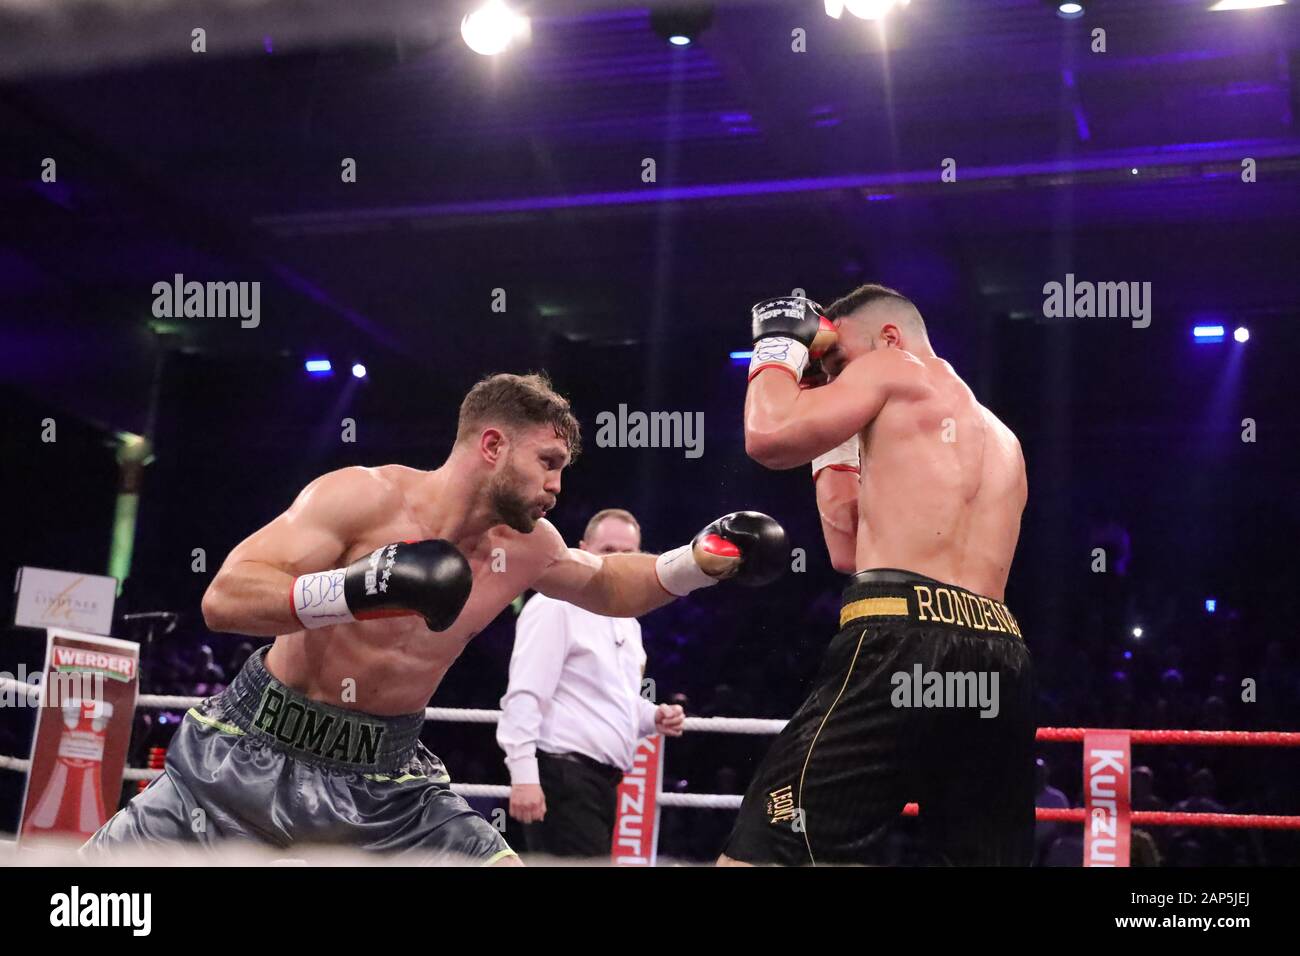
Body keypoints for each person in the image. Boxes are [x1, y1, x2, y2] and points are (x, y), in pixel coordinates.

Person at [85, 372, 786, 865]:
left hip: (386, 779)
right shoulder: (362, 497)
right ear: (490, 446)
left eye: (562, 469)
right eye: (546, 462)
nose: (556, 485)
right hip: (250, 751)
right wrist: (358, 588)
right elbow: (226, 598)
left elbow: (609, 585)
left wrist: (698, 560)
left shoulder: (528, 548)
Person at [719, 286, 1034, 866]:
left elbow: (765, 437)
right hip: (1001, 653)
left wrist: (777, 349)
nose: (834, 379)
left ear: (889, 338)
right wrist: (832, 434)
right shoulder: (1004, 439)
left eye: (839, 363)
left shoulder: (893, 366)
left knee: (772, 847)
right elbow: (847, 545)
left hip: (900, 636)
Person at [498, 508, 684, 858]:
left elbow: (614, 697)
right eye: (607, 550)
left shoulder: (627, 620)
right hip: (563, 775)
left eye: (628, 554)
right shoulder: (555, 604)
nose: (617, 561)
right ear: (582, 549)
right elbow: (525, 692)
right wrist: (523, 775)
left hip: (602, 782)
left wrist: (652, 717)